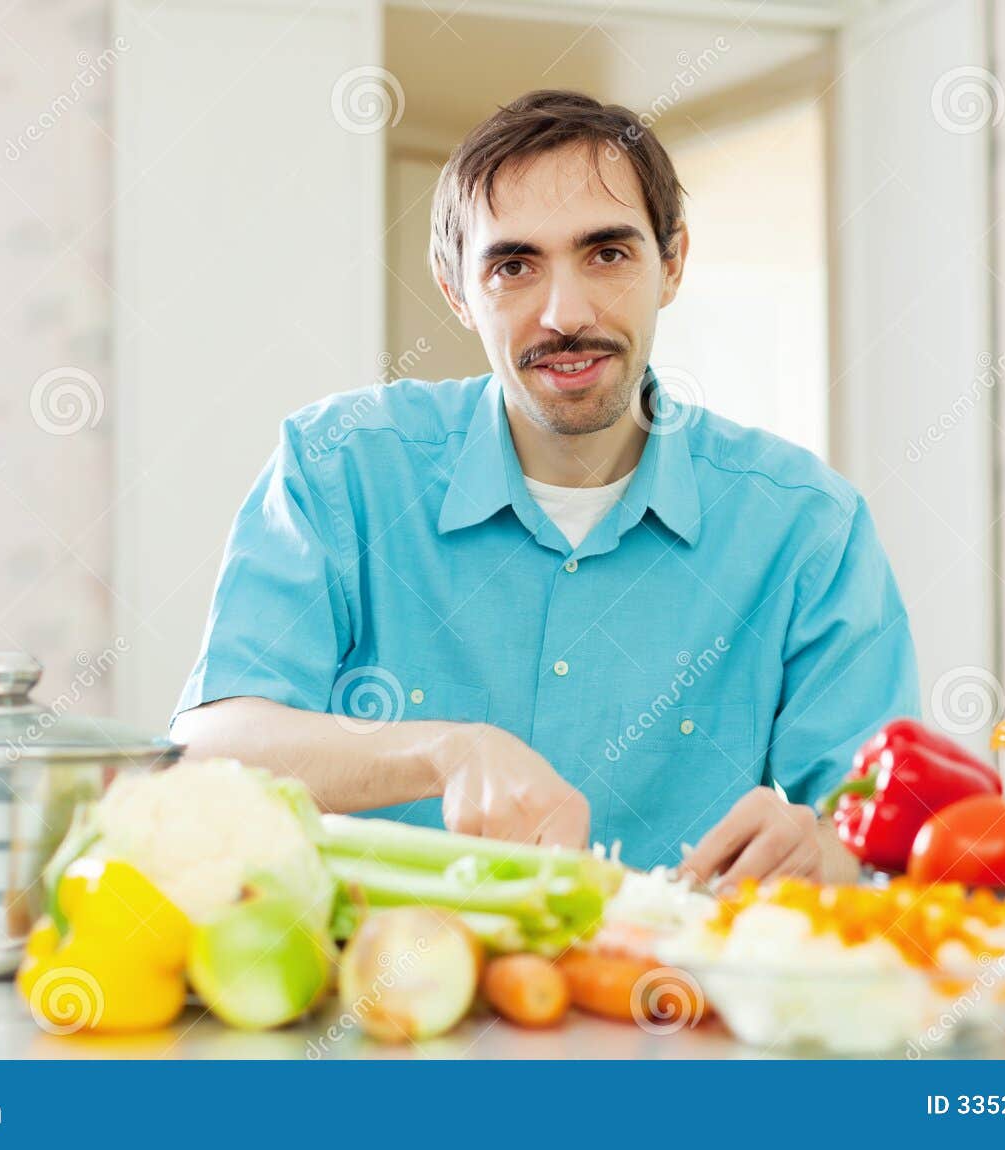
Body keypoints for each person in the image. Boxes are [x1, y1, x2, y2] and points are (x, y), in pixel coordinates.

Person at [171, 90, 918, 885]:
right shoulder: (338, 468)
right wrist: (447, 750)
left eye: (607, 254)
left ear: (672, 264)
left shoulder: (808, 527)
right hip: (385, 994)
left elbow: (890, 843)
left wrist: (831, 859)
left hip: (672, 996)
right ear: (456, 289)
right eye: (514, 265)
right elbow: (209, 751)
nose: (566, 313)